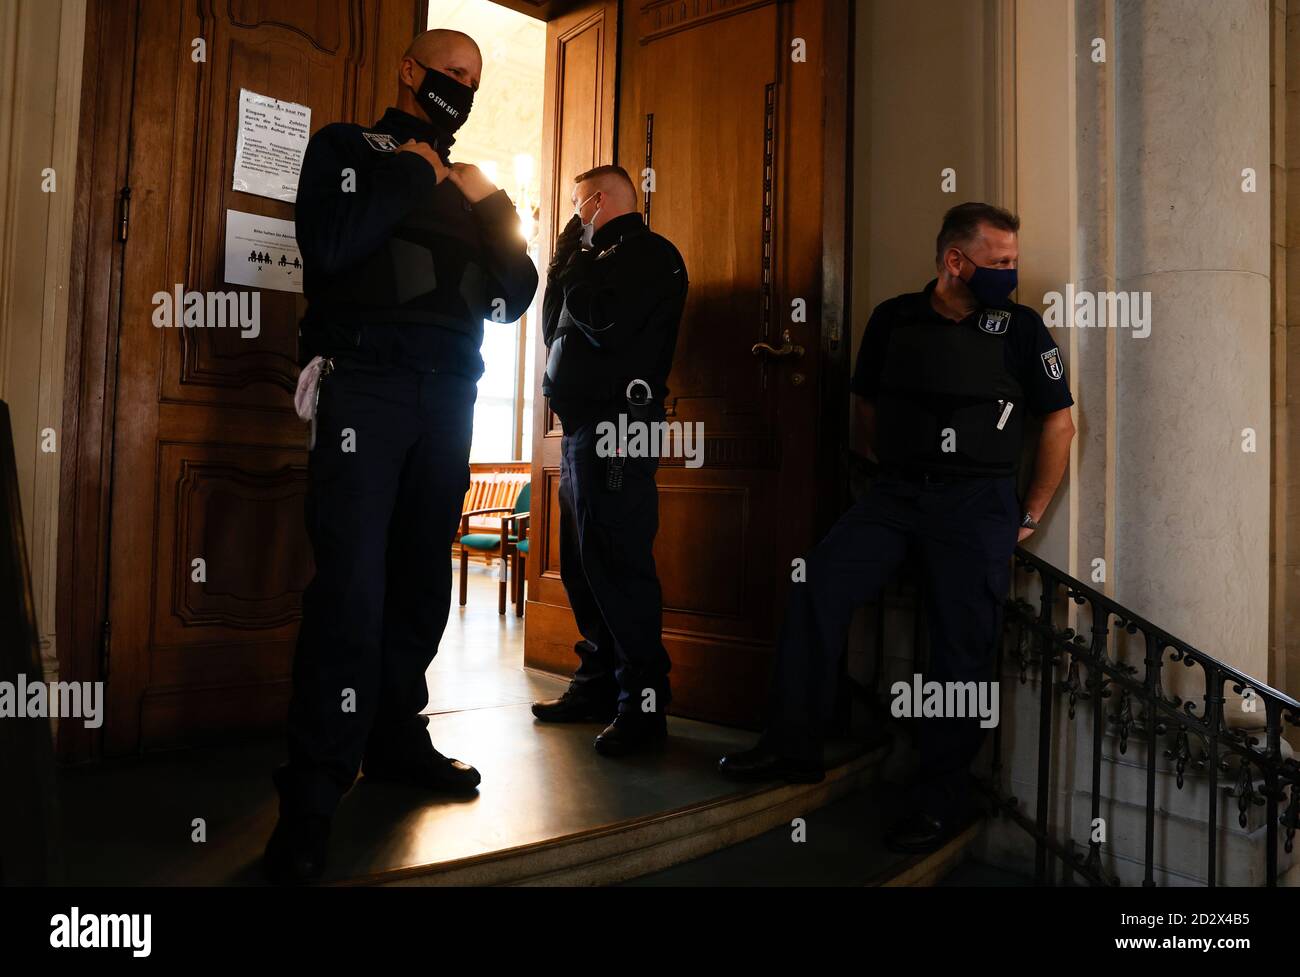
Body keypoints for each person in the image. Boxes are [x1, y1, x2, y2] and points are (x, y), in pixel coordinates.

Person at [263, 28, 538, 884]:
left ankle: (394, 740)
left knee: (421, 581)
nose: (460, 86)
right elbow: (333, 247)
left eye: (473, 79)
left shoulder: (478, 182)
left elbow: (517, 293)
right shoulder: (348, 146)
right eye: (449, 71)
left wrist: (486, 203)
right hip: (367, 389)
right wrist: (414, 170)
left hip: (450, 393)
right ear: (409, 70)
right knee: (351, 590)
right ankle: (309, 802)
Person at [718, 202, 1075, 854]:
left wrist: (1030, 512)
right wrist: (887, 473)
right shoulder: (893, 318)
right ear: (954, 261)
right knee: (816, 585)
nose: (1011, 271)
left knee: (958, 651)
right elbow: (864, 404)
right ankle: (791, 745)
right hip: (895, 497)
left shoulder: (1022, 329)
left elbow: (1059, 423)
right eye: (1000, 261)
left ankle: (942, 799)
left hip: (977, 507)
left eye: (1013, 260)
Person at [530, 165, 689, 757]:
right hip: (580, 429)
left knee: (618, 563)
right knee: (581, 563)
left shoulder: (650, 255)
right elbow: (553, 327)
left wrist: (576, 254)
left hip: (621, 426)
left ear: (596, 201)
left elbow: (602, 324)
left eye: (577, 207)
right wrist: (571, 253)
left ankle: (643, 707)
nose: (573, 218)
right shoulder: (590, 259)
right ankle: (598, 683)